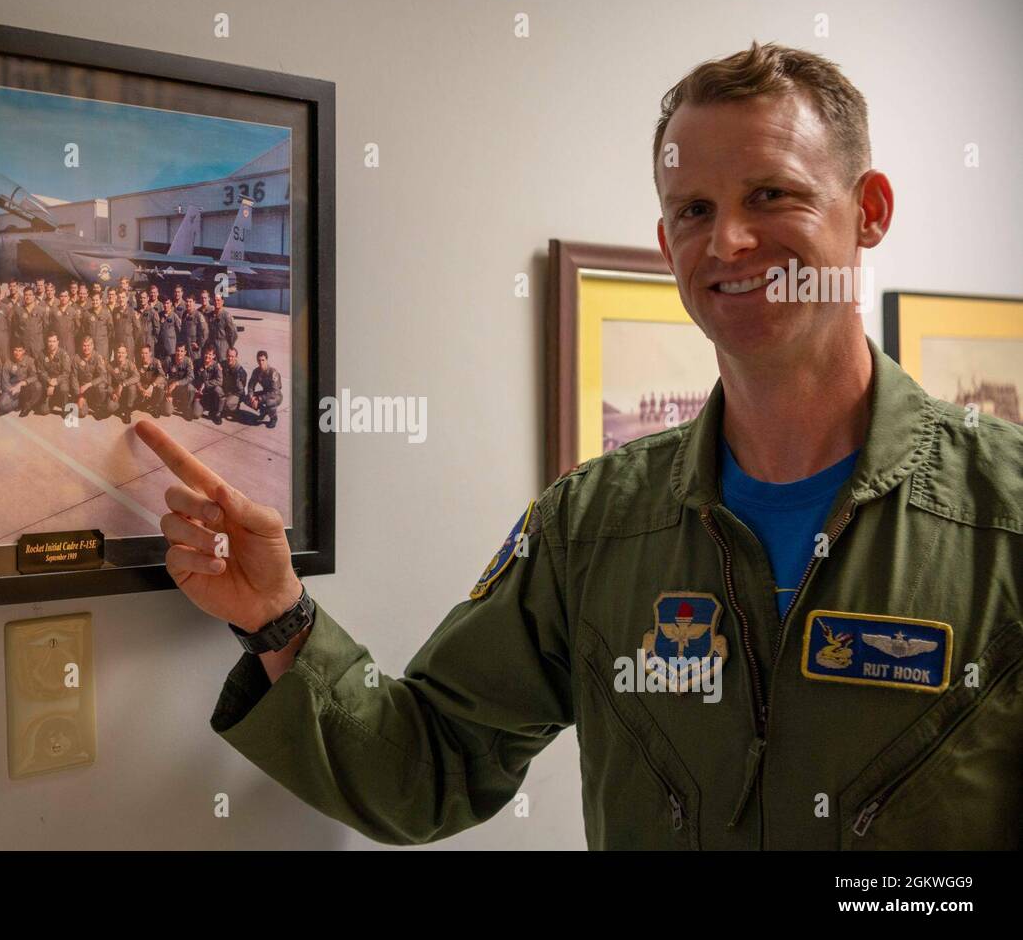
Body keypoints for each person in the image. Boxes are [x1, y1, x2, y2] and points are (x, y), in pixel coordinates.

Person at [135, 42, 1022, 850]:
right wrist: (280, 617)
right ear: (667, 242)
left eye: (772, 194)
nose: (730, 241)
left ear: (868, 210)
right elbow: (430, 767)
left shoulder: (1004, 519)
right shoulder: (593, 526)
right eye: (694, 210)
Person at [73, 336, 111, 420]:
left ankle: (97, 405)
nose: (86, 348)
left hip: (94, 388)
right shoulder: (77, 358)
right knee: (81, 413)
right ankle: (85, 402)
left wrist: (89, 384)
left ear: (93, 346)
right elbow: (74, 378)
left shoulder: (97, 357)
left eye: (88, 345)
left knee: (101, 387)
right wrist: (80, 396)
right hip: (82, 390)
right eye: (84, 346)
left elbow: (103, 376)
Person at [0, 343, 43, 417]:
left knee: (38, 386)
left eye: (20, 350)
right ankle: (19, 403)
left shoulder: (30, 361)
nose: (17, 353)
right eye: (15, 350)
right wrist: (12, 389)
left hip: (26, 387)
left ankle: (27, 406)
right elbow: (5, 380)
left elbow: (35, 376)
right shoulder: (8, 362)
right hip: (13, 388)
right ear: (13, 351)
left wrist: (22, 383)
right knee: (2, 405)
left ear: (24, 351)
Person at [38, 332, 74, 416]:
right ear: (46, 342)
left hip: (60, 381)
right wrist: (49, 381)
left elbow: (66, 372)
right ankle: (52, 400)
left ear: (58, 342)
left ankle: (65, 407)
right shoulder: (42, 354)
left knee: (64, 388)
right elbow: (41, 371)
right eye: (49, 341)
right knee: (44, 411)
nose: (51, 344)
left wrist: (55, 382)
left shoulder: (63, 354)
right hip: (48, 382)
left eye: (54, 341)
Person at [245, 350, 283, 429]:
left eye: (263, 360)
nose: (261, 362)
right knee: (246, 398)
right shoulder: (256, 371)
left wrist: (259, 399)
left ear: (266, 360)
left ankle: (273, 418)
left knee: (269, 402)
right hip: (265, 392)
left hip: (276, 396)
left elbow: (274, 391)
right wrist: (252, 397)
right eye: (259, 360)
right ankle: (263, 411)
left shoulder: (273, 372)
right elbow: (251, 386)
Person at [135, 344, 172, 417]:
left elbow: (162, 375)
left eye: (146, 353)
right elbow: (136, 378)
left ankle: (156, 406)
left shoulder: (156, 362)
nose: (144, 355)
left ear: (150, 353)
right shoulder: (138, 363)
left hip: (154, 387)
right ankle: (146, 402)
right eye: (142, 353)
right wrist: (141, 389)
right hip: (144, 387)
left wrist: (152, 386)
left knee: (162, 384)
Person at [107, 344, 141, 424]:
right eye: (119, 352)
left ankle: (128, 411)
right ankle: (121, 406)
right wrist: (112, 393)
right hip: (117, 392)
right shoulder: (111, 365)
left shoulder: (130, 364)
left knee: (132, 386)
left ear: (126, 354)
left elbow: (137, 377)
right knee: (110, 408)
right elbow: (107, 383)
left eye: (123, 353)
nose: (120, 355)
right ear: (115, 353)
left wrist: (123, 384)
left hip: (128, 392)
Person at [193, 346, 224, 424]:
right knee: (196, 414)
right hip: (200, 394)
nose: (207, 356)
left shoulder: (216, 366)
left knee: (219, 390)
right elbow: (192, 377)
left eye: (210, 354)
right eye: (206, 354)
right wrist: (195, 389)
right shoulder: (197, 363)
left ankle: (218, 413)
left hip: (211, 394)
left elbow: (220, 381)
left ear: (214, 356)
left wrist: (205, 384)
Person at [165, 343, 197, 419]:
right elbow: (162, 376)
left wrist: (177, 383)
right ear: (175, 351)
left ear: (185, 352)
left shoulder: (188, 361)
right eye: (177, 350)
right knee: (168, 412)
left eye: (182, 351)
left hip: (182, 386)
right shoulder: (169, 359)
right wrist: (167, 392)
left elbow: (191, 377)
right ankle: (171, 401)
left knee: (191, 388)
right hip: (170, 388)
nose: (179, 353)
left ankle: (186, 407)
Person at [205, 294, 238, 363]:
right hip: (212, 344)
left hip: (222, 345)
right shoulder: (210, 315)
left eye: (218, 300)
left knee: (222, 364)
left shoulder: (226, 316)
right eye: (215, 300)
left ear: (222, 302)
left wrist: (230, 345)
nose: (216, 302)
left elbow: (234, 333)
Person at [219, 347, 249, 422]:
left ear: (236, 357)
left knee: (226, 404)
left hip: (236, 393)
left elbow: (240, 390)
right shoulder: (223, 364)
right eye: (228, 356)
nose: (230, 358)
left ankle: (235, 407)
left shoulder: (240, 371)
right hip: (225, 390)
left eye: (232, 356)